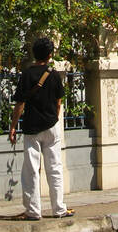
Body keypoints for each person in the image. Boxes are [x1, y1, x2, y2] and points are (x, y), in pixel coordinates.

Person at [9, 37, 73, 221]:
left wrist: (13, 126)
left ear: (34, 53)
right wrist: (53, 118)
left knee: (31, 170)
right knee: (55, 168)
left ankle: (33, 210)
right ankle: (59, 208)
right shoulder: (54, 75)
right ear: (50, 55)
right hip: (51, 126)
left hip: (32, 127)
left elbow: (20, 104)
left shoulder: (27, 74)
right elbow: (59, 102)